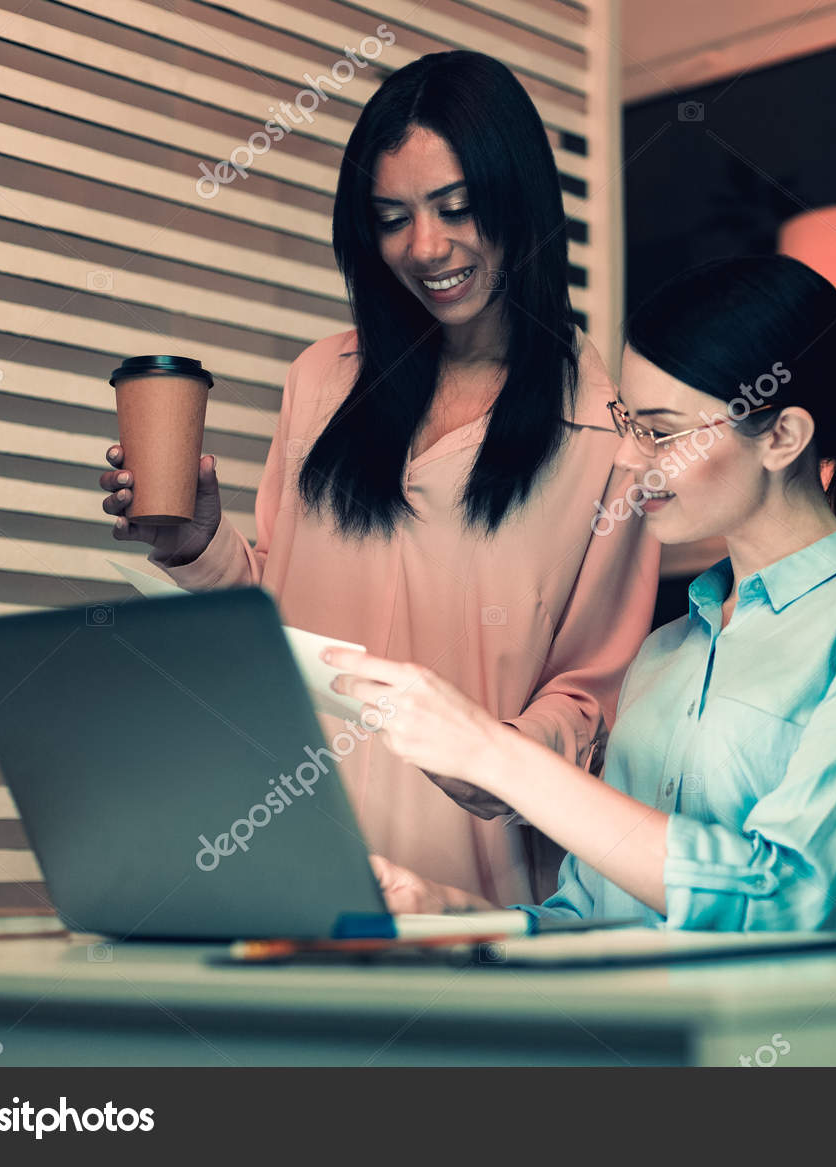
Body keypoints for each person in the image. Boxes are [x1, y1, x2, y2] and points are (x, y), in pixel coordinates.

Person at [97, 51, 659, 906]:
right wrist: (197, 545)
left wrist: (500, 757)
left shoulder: (605, 435)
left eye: (457, 208)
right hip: (291, 849)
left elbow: (594, 693)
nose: (426, 247)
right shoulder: (323, 380)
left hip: (476, 882)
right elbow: (279, 620)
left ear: (519, 200)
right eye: (393, 217)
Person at [334, 254, 836, 931]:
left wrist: (494, 753)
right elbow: (599, 921)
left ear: (783, 436)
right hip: (674, 1030)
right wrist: (449, 915)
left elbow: (789, 897)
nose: (627, 459)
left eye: (660, 432)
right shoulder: (663, 655)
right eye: (627, 422)